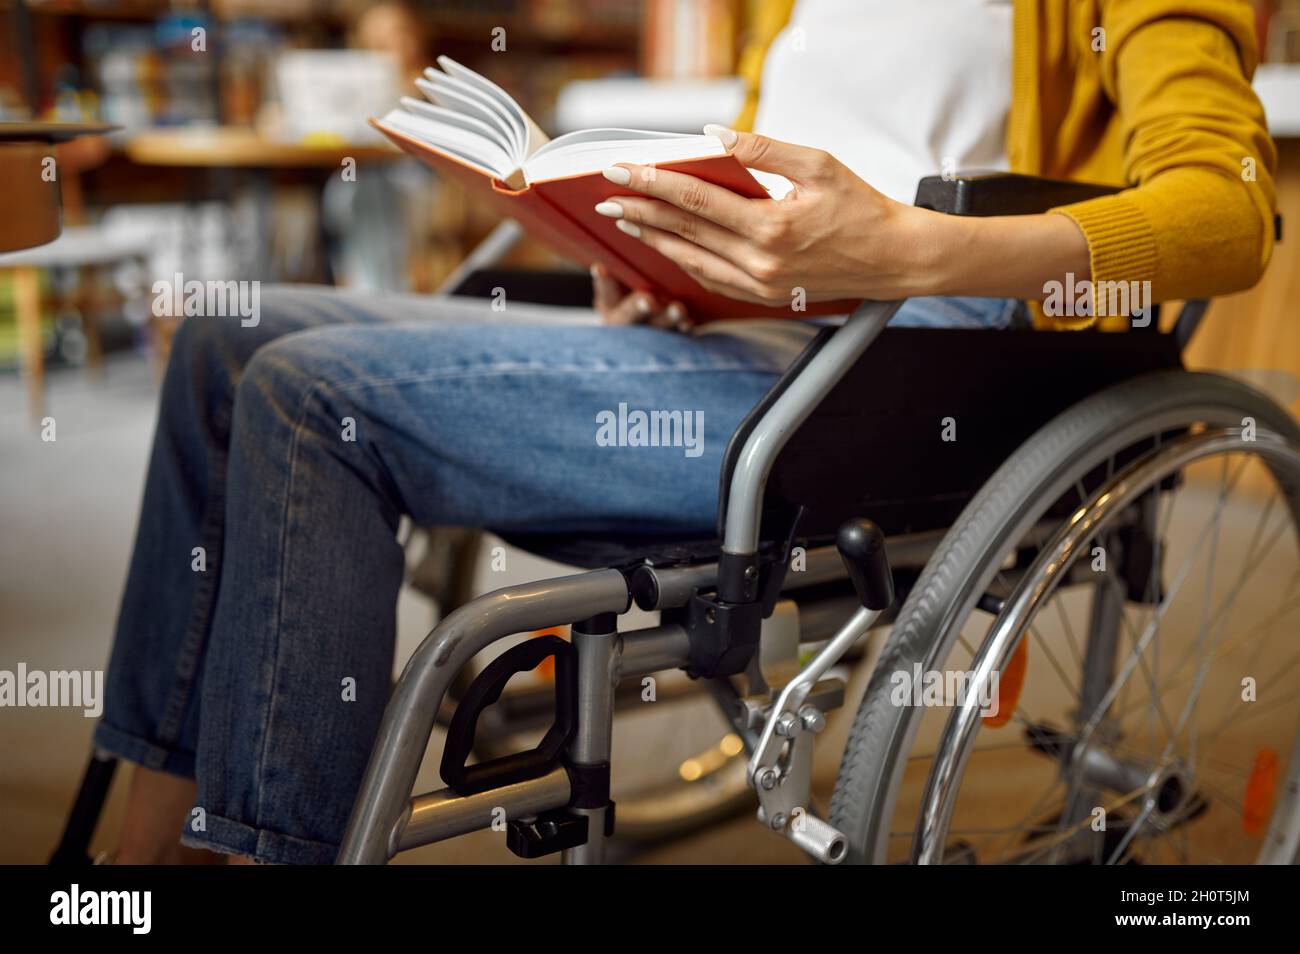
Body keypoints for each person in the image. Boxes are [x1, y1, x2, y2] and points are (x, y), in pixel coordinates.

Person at [99, 0, 1275, 863]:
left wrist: (912, 250)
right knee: (226, 341)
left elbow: (1227, 212)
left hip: (903, 373)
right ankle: (135, 861)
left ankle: (249, 856)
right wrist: (661, 254)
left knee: (313, 396)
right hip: (742, 337)